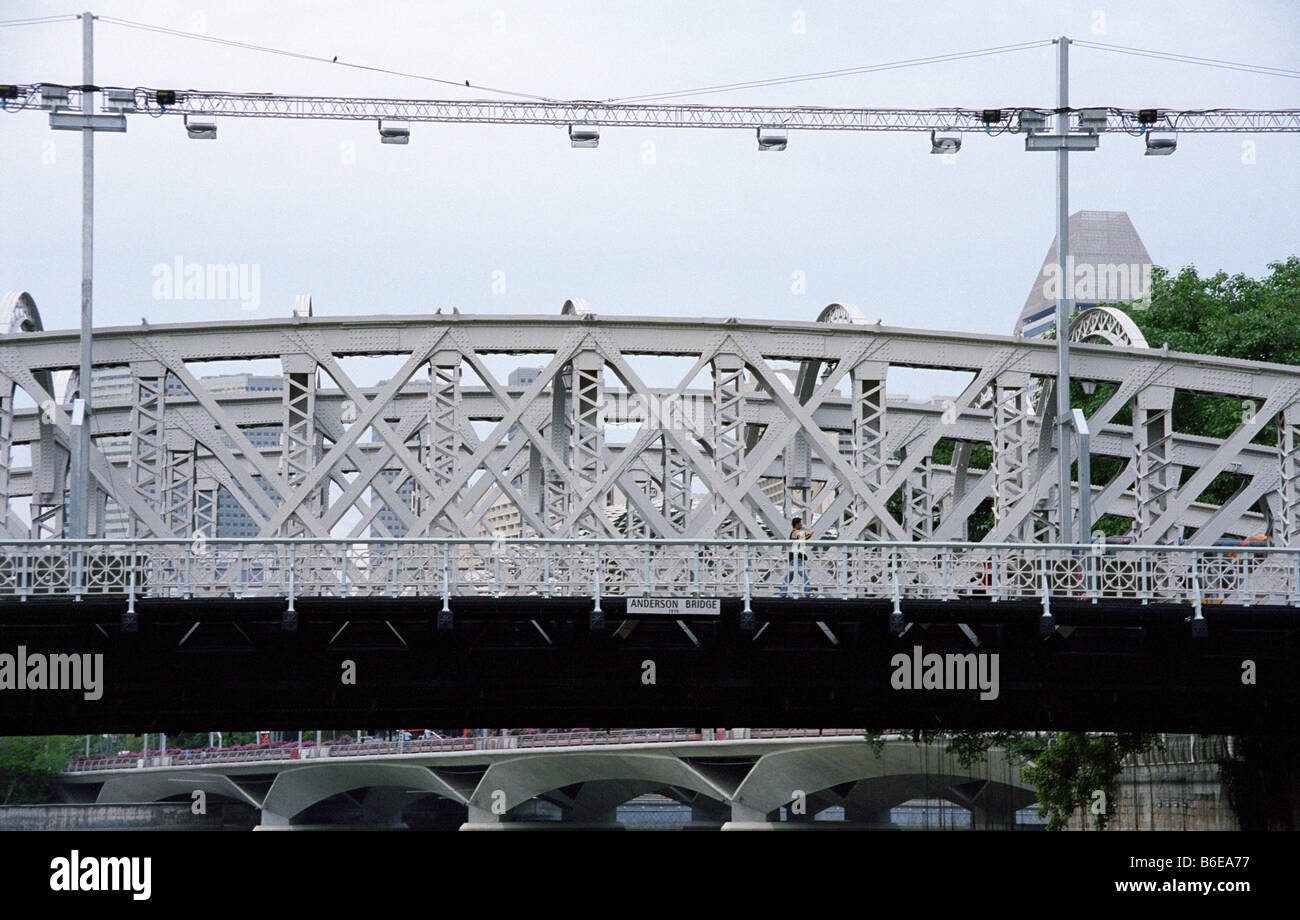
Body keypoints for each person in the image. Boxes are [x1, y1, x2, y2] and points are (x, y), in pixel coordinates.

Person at [780, 515, 812, 598]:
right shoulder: (795, 532)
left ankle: (782, 594)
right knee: (804, 575)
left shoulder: (795, 533)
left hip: (795, 557)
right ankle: (808, 593)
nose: (801, 524)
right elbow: (802, 540)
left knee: (789, 576)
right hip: (796, 558)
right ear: (797, 524)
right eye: (800, 523)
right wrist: (809, 535)